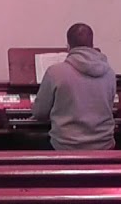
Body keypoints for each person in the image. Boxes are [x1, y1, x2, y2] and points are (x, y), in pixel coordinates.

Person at [30, 22, 116, 150]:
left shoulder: (55, 72)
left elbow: (40, 113)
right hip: (104, 146)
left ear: (68, 47)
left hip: (66, 147)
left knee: (28, 141)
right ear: (92, 45)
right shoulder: (109, 72)